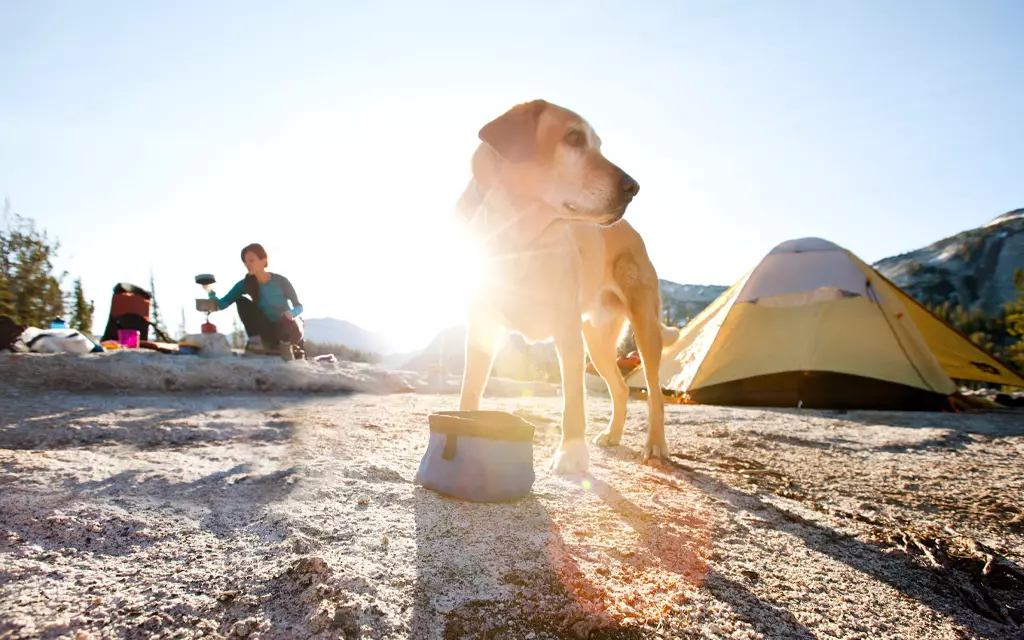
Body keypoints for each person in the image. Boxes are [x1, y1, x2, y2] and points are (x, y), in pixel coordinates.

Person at [206, 243, 305, 358]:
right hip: (268, 331)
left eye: (251, 260)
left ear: (263, 260)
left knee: (285, 320)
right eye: (245, 262)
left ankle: (287, 347)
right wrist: (209, 290)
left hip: (288, 328)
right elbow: (221, 305)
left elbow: (299, 307)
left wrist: (290, 314)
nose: (248, 264)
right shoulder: (245, 284)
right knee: (241, 300)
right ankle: (257, 343)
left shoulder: (280, 281)